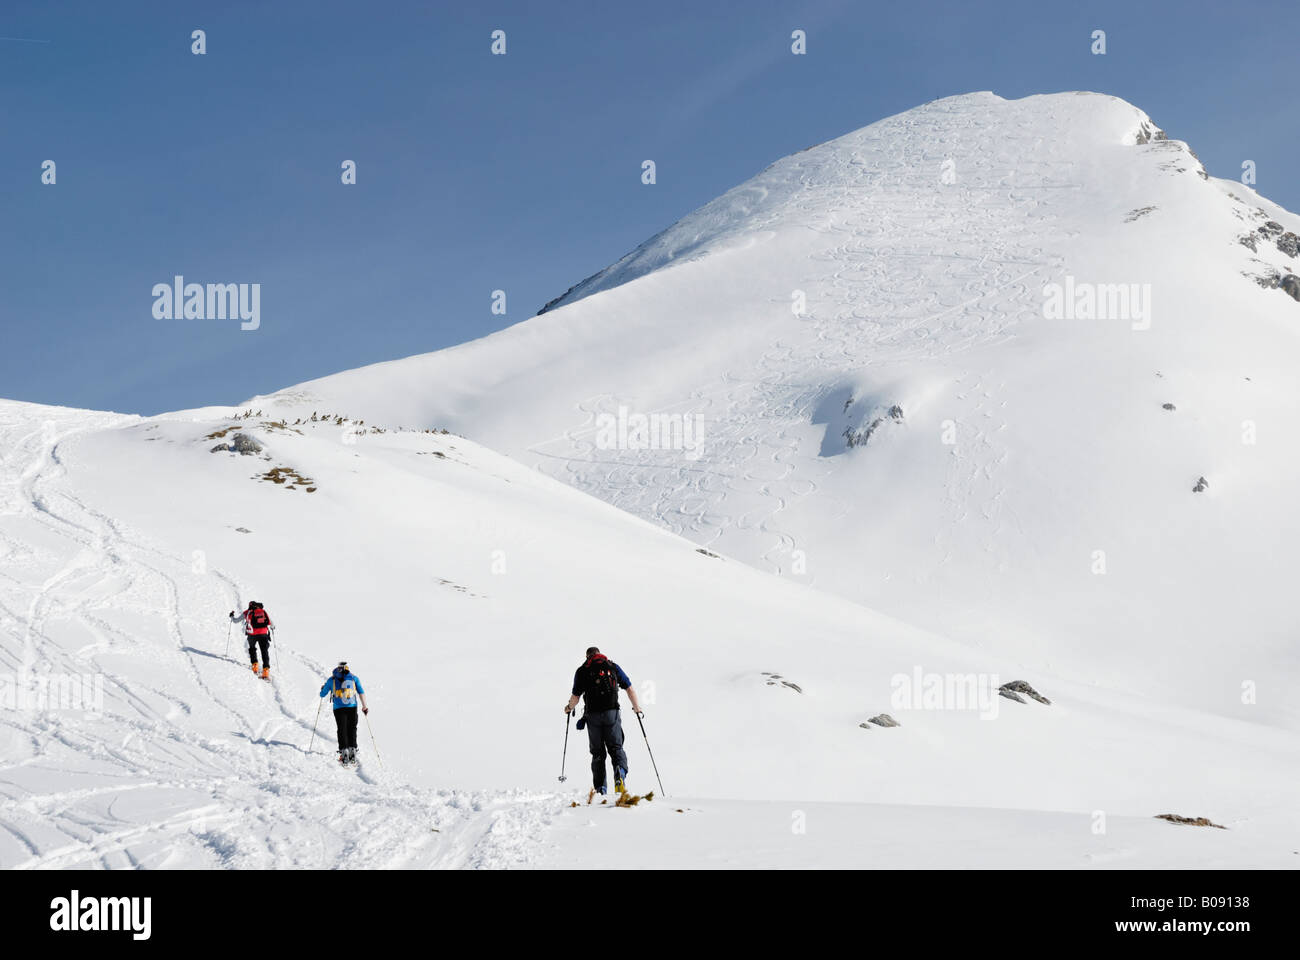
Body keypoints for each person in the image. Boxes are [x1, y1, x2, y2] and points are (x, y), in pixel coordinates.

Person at [565, 646, 642, 794]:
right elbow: (629, 688)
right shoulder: (612, 666)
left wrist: (568, 708)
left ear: (587, 656)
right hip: (611, 713)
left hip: (593, 716)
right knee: (616, 748)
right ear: (599, 654)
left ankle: (601, 789)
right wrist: (637, 708)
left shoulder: (582, 670)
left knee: (598, 753)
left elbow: (575, 697)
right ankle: (620, 773)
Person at [320, 661, 368, 765]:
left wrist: (323, 688)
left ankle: (344, 751)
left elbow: (322, 695)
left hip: (338, 708)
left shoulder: (331, 679)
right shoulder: (354, 678)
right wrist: (364, 706)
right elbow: (361, 692)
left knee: (342, 729)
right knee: (352, 728)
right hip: (352, 706)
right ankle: (353, 750)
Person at [229, 601, 274, 679]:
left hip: (252, 634)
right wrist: (272, 628)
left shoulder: (247, 612)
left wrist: (232, 616)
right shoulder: (263, 611)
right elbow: (271, 623)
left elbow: (236, 621)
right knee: (264, 651)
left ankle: (255, 665)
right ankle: (266, 670)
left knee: (252, 649)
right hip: (263, 634)